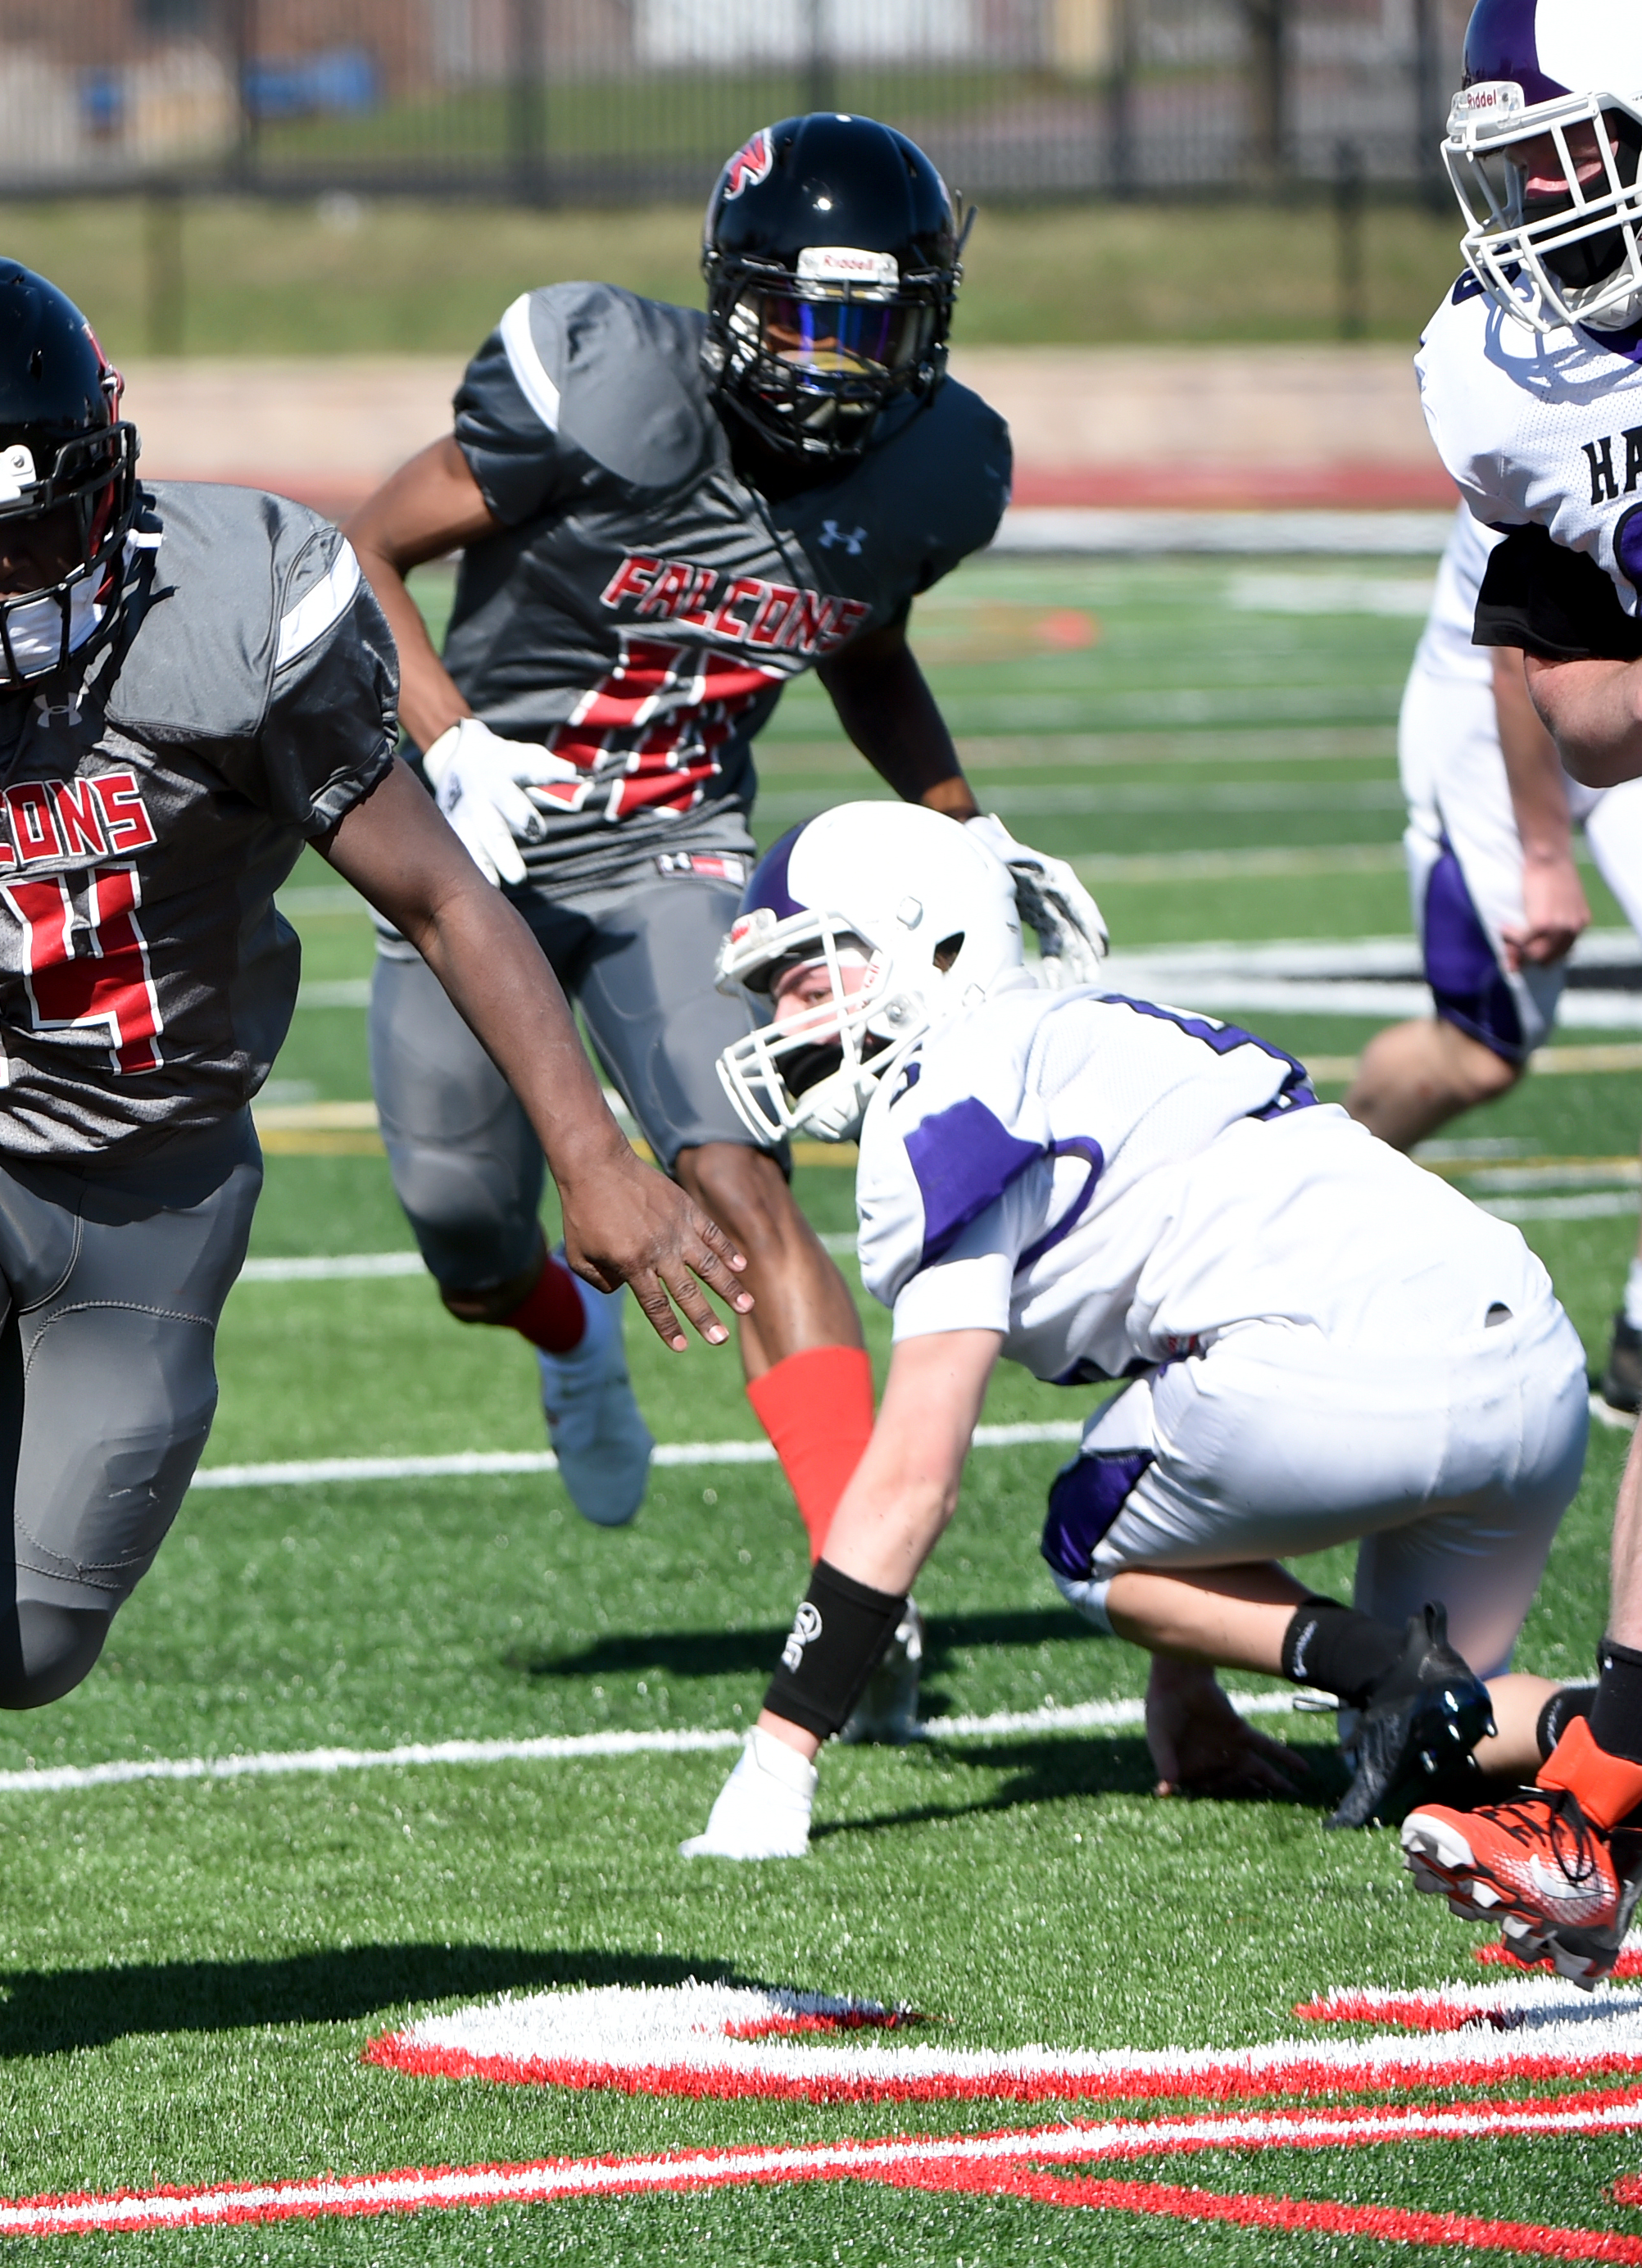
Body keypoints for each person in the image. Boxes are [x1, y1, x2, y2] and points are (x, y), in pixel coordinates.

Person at [0, 255, 751, 2110]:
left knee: (21, 1652)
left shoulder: (234, 601)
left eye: (30, 540)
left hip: (153, 1176)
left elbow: (434, 890)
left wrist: (595, 1154)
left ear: (108, 477)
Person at [338, 114, 1086, 1707]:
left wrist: (964, 824)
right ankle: (559, 1333)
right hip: (480, 835)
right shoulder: (604, 383)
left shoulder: (933, 465)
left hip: (674, 834)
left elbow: (855, 633)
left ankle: (856, 1602)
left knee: (743, 1185)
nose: (833, 357)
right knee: (466, 1234)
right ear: (731, 297)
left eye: (869, 321)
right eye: (804, 313)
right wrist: (450, 738)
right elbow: (361, 549)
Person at [678, 805, 1589, 1862]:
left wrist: (777, 1758)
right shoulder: (1106, 1023)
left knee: (1084, 1534)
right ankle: (1615, 1734)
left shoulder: (941, 1102)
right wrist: (1185, 1683)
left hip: (1330, 1369)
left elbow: (911, 1481)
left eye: (809, 973)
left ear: (926, 940)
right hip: (1527, 1352)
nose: (783, 1017)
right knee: (1443, 1737)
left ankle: (1377, 1666)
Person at [1391, 0, 1642, 1981]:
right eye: (1519, 161)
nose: (1542, 205)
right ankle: (1612, 1782)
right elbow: (1570, 693)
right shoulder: (1503, 372)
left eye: (1576, 149)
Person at [1340, 504, 1642, 1412]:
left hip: (1633, 699)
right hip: (1500, 698)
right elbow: (1523, 660)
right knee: (1480, 1051)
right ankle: (1281, 1206)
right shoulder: (1572, 404)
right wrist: (1546, 855)